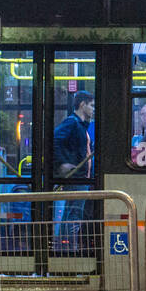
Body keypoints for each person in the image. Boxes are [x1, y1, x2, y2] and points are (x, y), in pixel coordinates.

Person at [54, 91, 97, 256]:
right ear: (82, 105)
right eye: (91, 105)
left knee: (72, 213)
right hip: (76, 177)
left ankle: (64, 249)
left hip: (82, 177)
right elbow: (55, 140)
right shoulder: (71, 123)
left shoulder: (81, 125)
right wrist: (63, 163)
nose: (93, 109)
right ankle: (68, 252)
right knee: (74, 215)